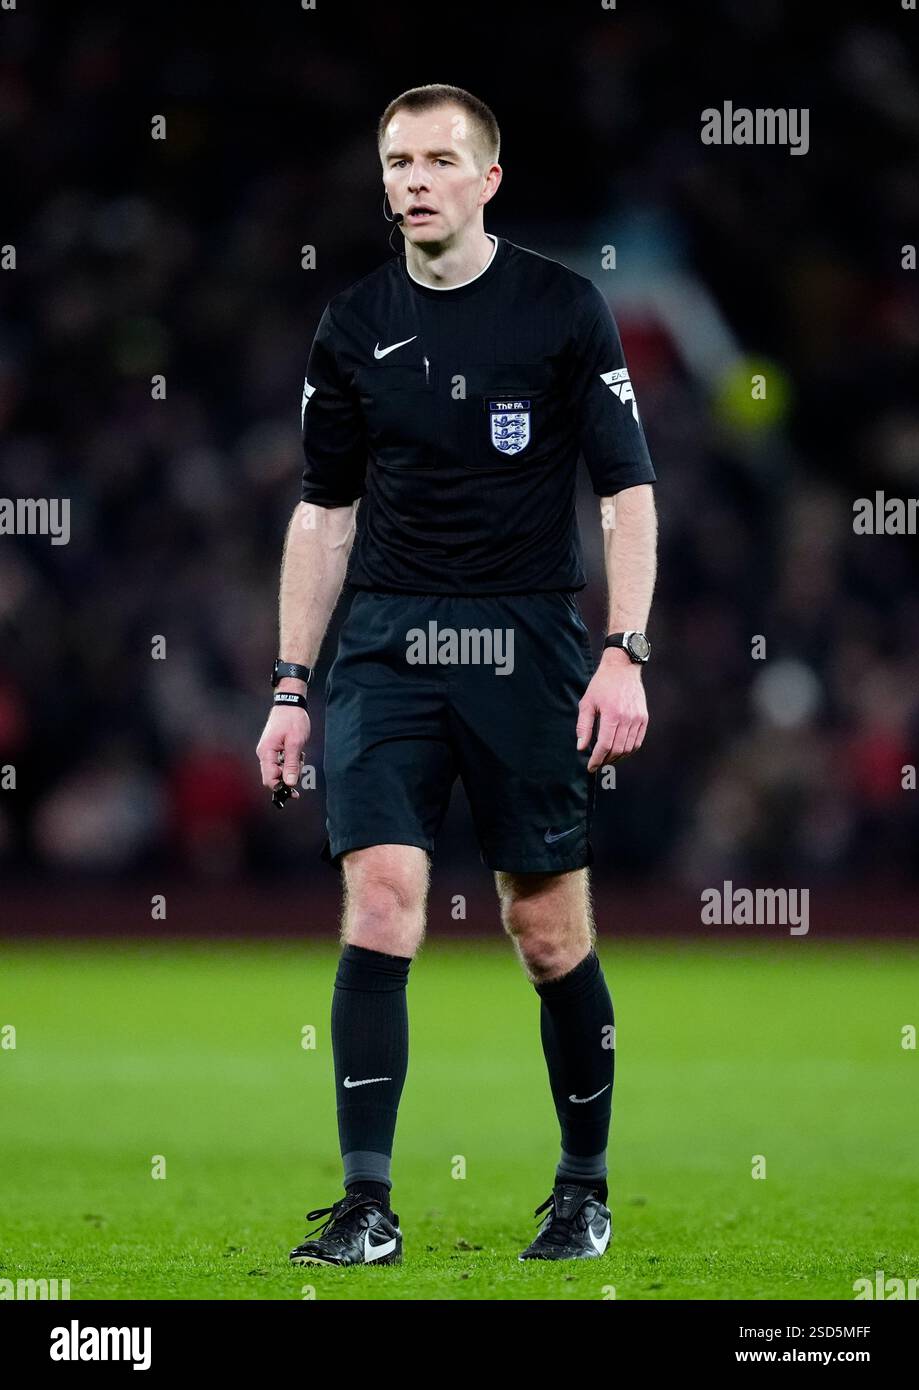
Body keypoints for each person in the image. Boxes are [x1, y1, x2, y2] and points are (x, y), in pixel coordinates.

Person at [256, 83, 658, 1266]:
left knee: (544, 931)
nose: (414, 179)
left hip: (526, 640)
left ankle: (581, 1188)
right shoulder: (350, 324)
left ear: (487, 178)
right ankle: (367, 1204)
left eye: (438, 159)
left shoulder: (562, 309)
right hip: (385, 642)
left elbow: (625, 491)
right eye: (396, 161)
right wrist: (290, 683)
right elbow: (323, 513)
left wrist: (624, 652)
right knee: (380, 897)